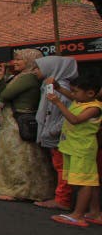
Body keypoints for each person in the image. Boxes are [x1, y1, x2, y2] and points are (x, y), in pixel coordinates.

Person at [0, 49, 54, 202]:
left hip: (18, 121)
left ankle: (18, 189)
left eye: (19, 59)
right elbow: (3, 93)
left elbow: (6, 95)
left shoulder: (28, 78)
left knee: (19, 157)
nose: (15, 62)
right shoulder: (22, 77)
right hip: (16, 119)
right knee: (28, 157)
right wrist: (1, 78)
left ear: (30, 61)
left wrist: (3, 83)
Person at [44, 73, 102, 227]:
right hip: (73, 146)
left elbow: (75, 120)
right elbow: (71, 96)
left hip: (82, 149)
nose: (73, 95)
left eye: (76, 91)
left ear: (90, 93)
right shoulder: (81, 101)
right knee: (90, 180)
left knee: (84, 183)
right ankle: (95, 212)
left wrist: (58, 103)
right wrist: (58, 88)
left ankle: (78, 215)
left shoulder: (94, 108)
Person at [32, 56, 78, 210]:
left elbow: (63, 114)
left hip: (57, 135)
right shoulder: (49, 86)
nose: (35, 71)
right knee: (59, 165)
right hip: (52, 132)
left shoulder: (61, 89)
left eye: (37, 68)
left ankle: (63, 199)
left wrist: (50, 131)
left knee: (62, 166)